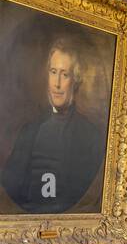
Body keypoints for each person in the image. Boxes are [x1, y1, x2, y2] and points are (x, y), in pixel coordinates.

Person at [2, 37, 102, 213]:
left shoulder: (91, 137)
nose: (56, 84)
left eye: (64, 74)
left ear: (75, 80)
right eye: (53, 72)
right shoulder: (29, 131)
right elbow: (11, 187)